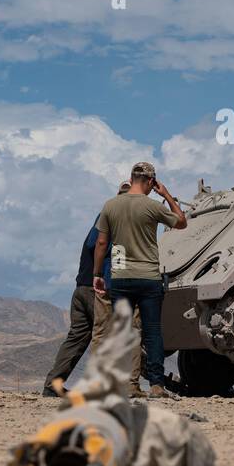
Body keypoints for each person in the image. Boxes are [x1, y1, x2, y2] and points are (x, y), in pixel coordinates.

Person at [92, 162, 187, 399]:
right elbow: (181, 221)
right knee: (153, 332)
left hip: (121, 277)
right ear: (150, 182)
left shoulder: (111, 205)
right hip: (148, 277)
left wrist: (97, 274)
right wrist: (165, 194)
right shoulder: (153, 205)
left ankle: (124, 384)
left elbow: (102, 243)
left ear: (131, 178)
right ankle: (156, 385)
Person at [43, 183, 145, 398]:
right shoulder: (112, 220)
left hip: (81, 288)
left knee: (77, 339)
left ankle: (52, 385)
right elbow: (100, 245)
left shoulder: (101, 218)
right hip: (97, 288)